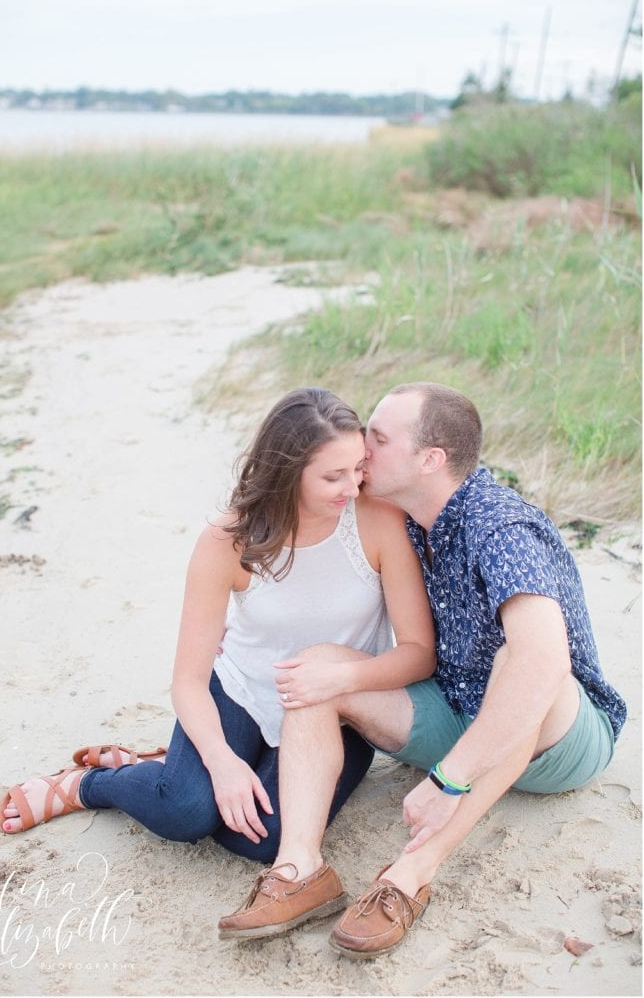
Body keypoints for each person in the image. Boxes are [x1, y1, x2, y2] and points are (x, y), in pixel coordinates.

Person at [219, 381, 627, 958]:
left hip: (560, 741)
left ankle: (409, 876)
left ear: (430, 460)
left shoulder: (504, 529)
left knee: (525, 670)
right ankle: (300, 868)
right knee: (318, 670)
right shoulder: (403, 513)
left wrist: (449, 778)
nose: (363, 446)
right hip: (453, 706)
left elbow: (543, 664)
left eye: (380, 438)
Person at [0, 387, 436, 868]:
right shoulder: (227, 540)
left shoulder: (379, 521)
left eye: (358, 468)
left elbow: (417, 651)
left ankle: (170, 768)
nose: (353, 487)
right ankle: (89, 784)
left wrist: (340, 679)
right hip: (243, 691)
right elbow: (188, 680)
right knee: (186, 812)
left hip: (336, 709)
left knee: (262, 839)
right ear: (288, 473)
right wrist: (222, 766)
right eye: (334, 476)